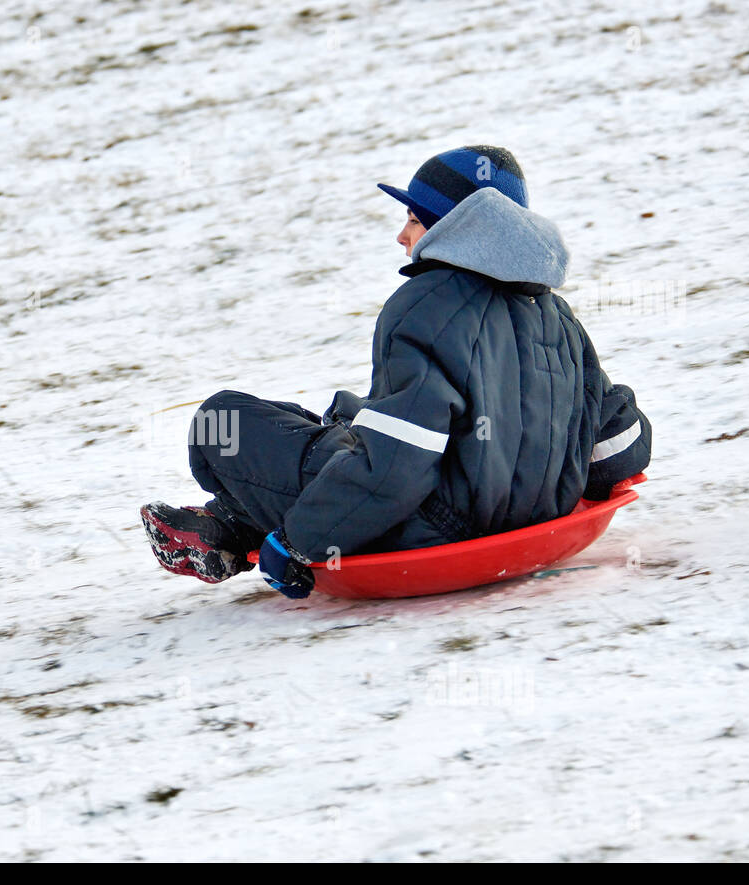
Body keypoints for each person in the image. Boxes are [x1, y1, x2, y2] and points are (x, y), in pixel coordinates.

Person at [140, 145, 652, 598]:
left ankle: (239, 526)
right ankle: (236, 525)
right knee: (348, 416)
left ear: (457, 227)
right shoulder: (557, 315)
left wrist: (299, 543)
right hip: (539, 519)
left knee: (224, 420)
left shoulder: (423, 306)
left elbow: (394, 468)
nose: (401, 234)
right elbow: (619, 450)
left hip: (428, 528)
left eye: (414, 217)